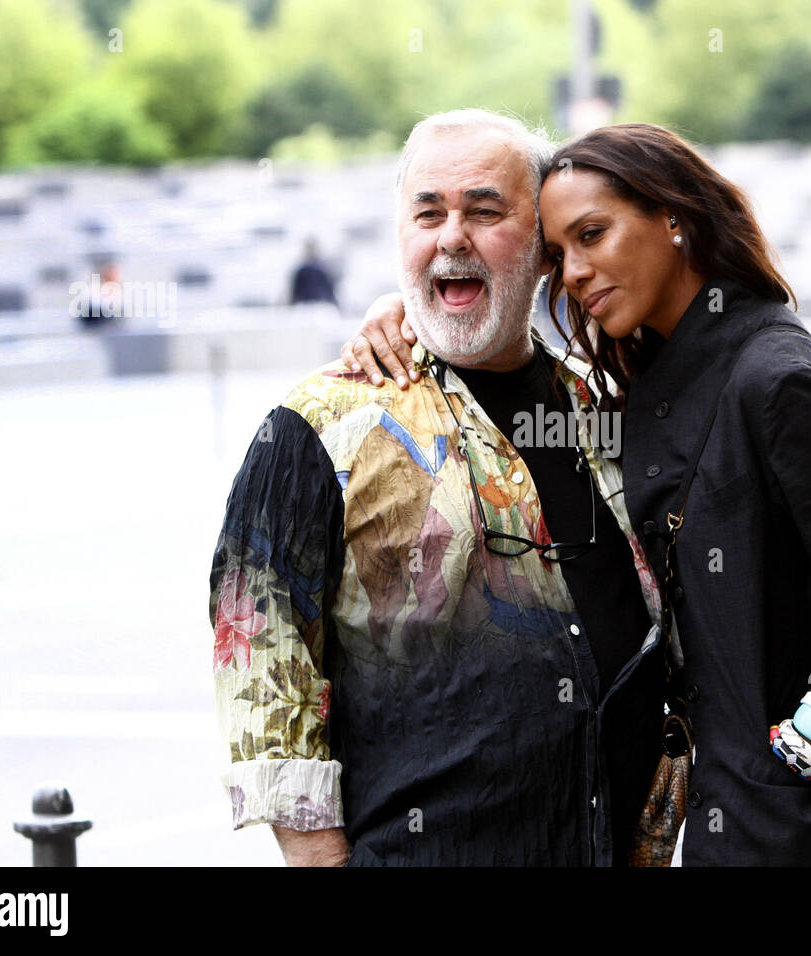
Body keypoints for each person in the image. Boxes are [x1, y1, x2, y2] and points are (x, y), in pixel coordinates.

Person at [350, 121, 811, 865]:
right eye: (558, 254)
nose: (575, 273)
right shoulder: (646, 380)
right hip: (737, 816)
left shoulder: (774, 372)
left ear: (675, 218)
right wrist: (404, 317)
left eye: (594, 234)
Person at [211, 110, 667, 866]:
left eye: (484, 212)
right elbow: (263, 675)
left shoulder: (609, 411)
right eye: (428, 213)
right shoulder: (318, 426)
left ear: (545, 249)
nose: (452, 237)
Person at [289, 238, 340, 308]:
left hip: (318, 305)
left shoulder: (321, 268)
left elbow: (329, 289)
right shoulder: (302, 270)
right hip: (306, 305)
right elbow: (295, 291)